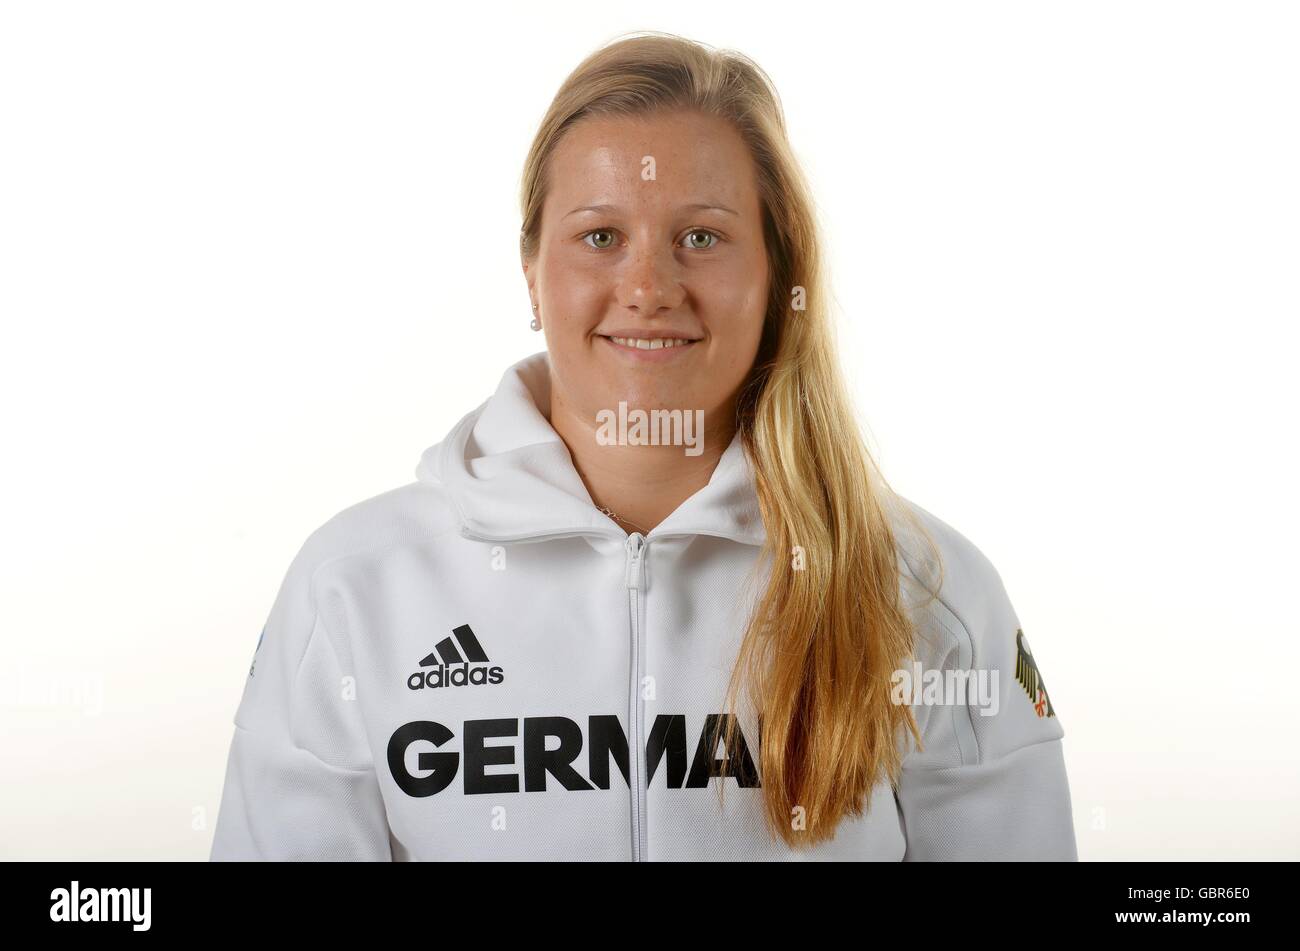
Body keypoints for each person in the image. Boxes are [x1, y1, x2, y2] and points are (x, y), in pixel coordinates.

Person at [210, 31, 1077, 861]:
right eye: (600, 237)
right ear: (532, 274)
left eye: (701, 237)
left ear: (776, 275)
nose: (649, 288)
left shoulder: (924, 588)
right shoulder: (357, 586)